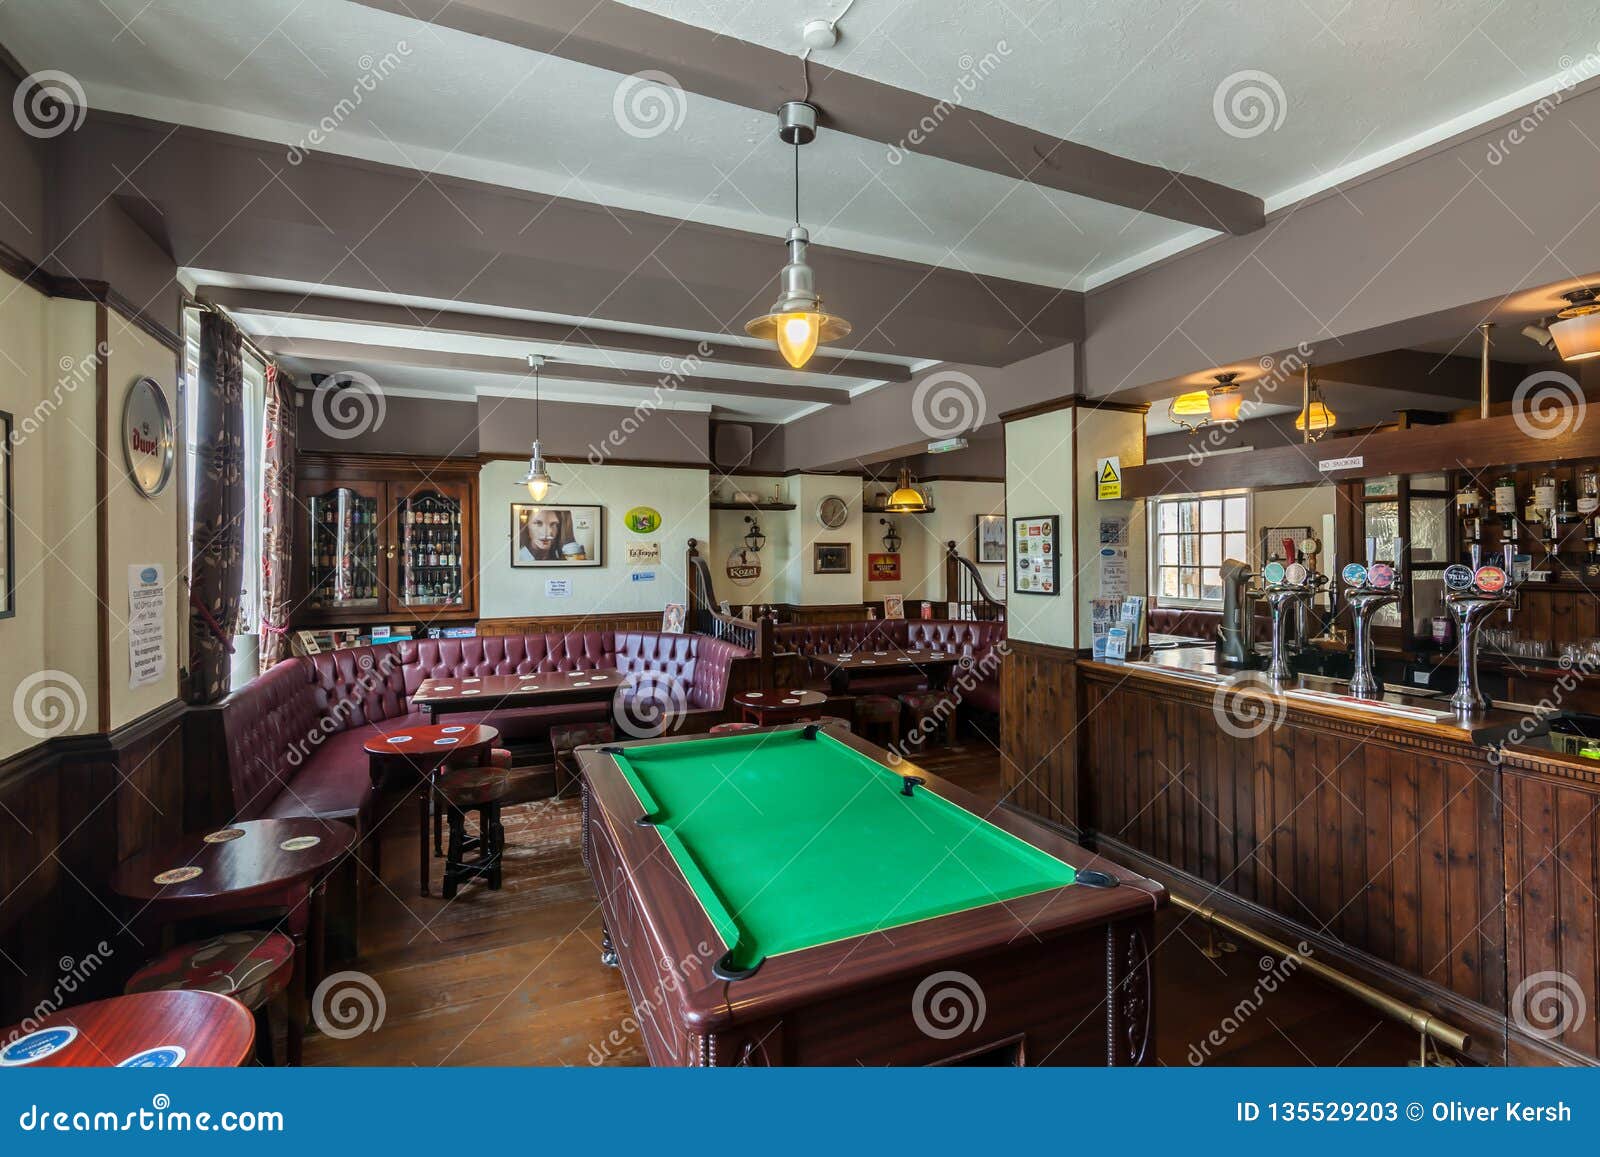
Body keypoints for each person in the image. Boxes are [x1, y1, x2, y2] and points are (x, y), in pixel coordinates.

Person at [518, 507, 588, 562]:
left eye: (553, 524)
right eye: (538, 523)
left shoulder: (562, 556)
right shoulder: (518, 557)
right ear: (526, 526)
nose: (547, 533)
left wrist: (569, 540)